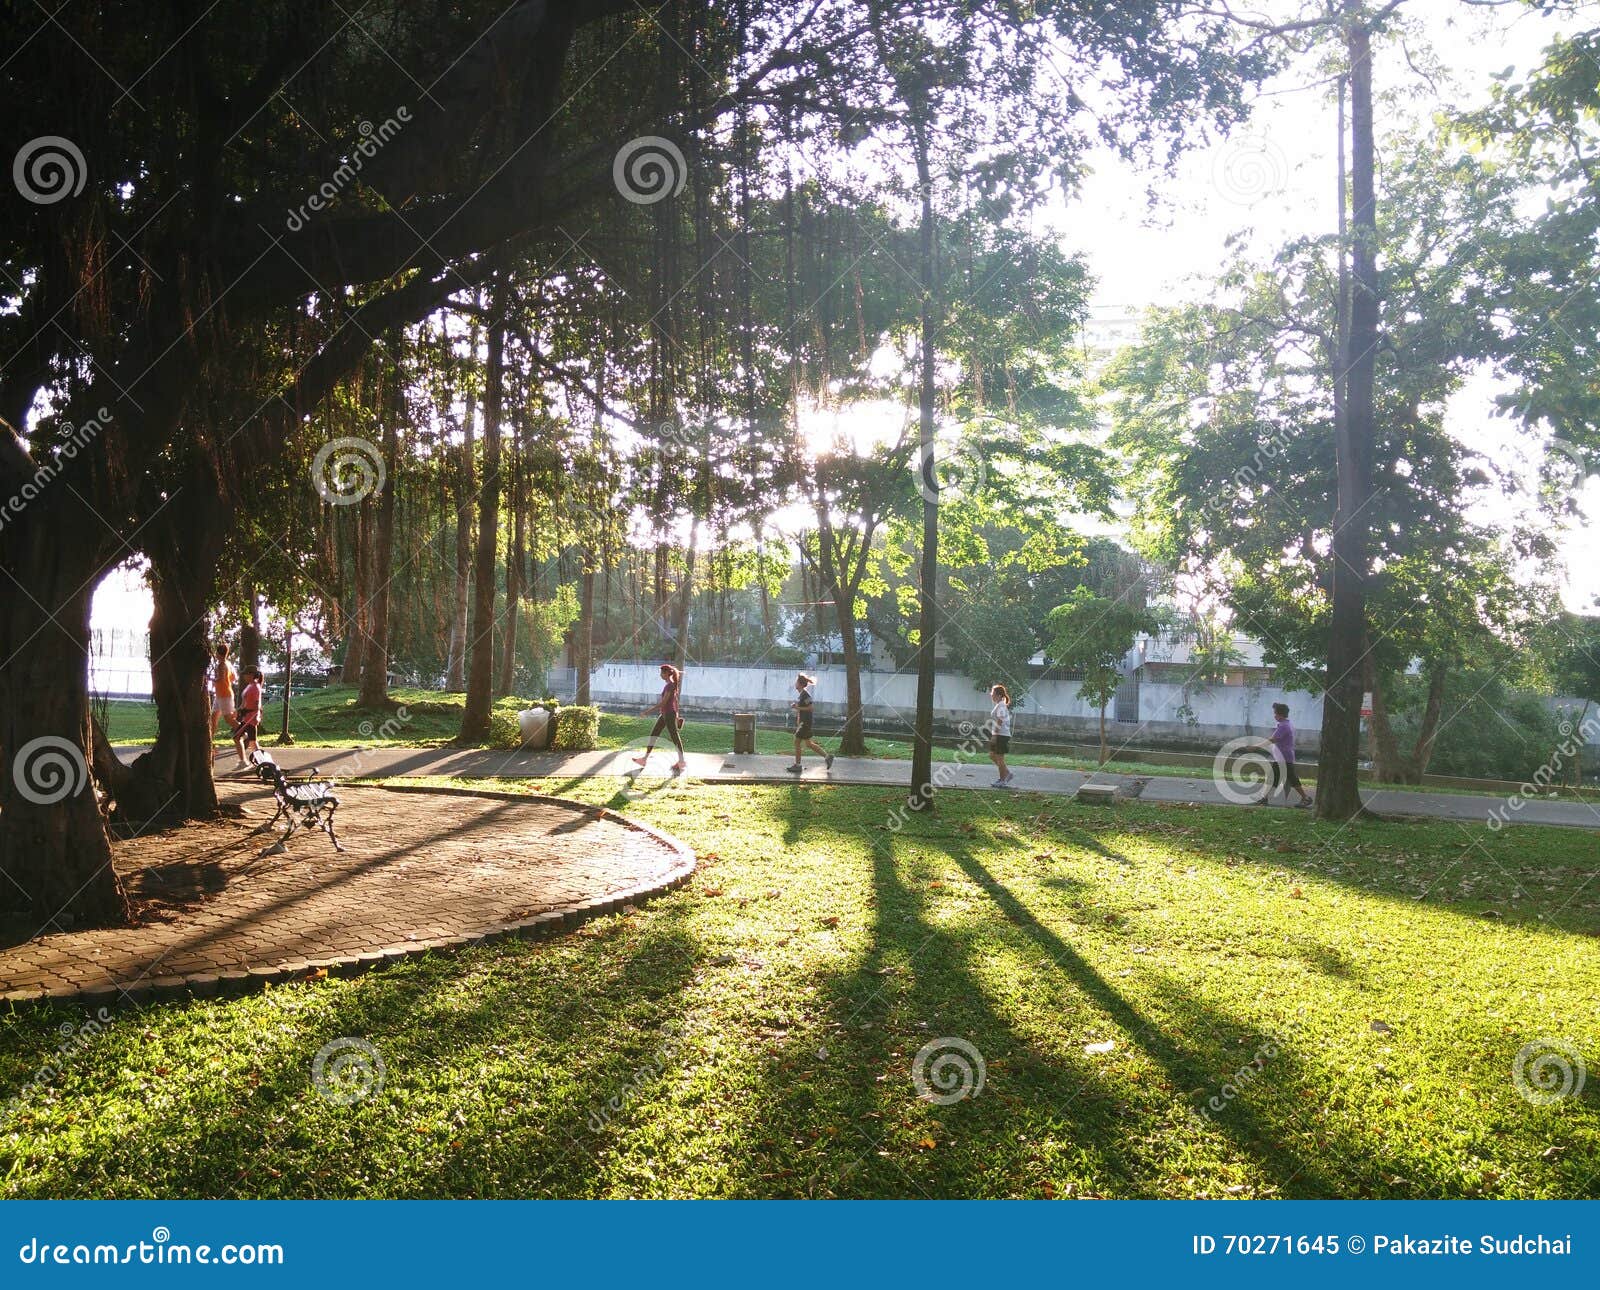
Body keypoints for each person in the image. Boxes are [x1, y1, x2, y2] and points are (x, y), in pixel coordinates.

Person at [634, 662, 687, 772]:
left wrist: (647, 712)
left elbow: (663, 703)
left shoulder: (670, 685)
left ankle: (681, 761)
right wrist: (677, 715)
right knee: (654, 735)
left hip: (668, 715)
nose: (660, 675)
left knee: (674, 737)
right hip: (666, 714)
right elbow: (675, 701)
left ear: (667, 673)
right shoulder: (670, 685)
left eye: (661, 673)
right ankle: (644, 759)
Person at [1260, 701, 1313, 808]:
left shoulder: (1283, 726)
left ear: (1281, 714)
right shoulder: (1287, 724)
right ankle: (1263, 798)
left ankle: (1305, 798)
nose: (1274, 716)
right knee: (1286, 778)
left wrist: (1256, 746)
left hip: (1283, 758)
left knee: (1288, 778)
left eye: (1275, 714)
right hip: (1283, 758)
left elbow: (1272, 740)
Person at [785, 673, 834, 774]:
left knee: (797, 741)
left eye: (796, 682)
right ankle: (827, 757)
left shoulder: (805, 695)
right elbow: (802, 709)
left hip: (806, 722)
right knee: (808, 743)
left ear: (800, 684)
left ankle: (798, 765)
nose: (795, 683)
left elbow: (811, 708)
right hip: (804, 722)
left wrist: (797, 707)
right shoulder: (801, 695)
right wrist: (798, 717)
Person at [230, 667, 265, 770]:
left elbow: (256, 704)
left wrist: (246, 711)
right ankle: (261, 762)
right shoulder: (250, 686)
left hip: (251, 718)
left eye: (246, 674)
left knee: (237, 737)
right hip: (247, 717)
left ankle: (244, 762)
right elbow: (244, 702)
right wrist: (239, 711)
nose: (244, 676)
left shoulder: (255, 687)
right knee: (252, 741)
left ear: (251, 675)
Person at [208, 642, 237, 752]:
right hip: (220, 694)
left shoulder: (221, 665)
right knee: (214, 717)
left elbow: (220, 678)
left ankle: (244, 733)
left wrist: (210, 679)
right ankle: (210, 740)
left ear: (218, 653)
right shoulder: (228, 663)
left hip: (224, 694)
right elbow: (234, 677)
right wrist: (225, 681)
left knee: (228, 718)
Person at [987, 683, 1015, 788]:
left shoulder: (1002, 705)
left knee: (999, 758)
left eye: (992, 693)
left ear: (998, 695)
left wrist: (995, 735)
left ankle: (1002, 780)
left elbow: (1000, 721)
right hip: (999, 734)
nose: (991, 694)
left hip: (1001, 735)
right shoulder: (999, 704)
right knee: (992, 755)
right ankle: (1007, 774)